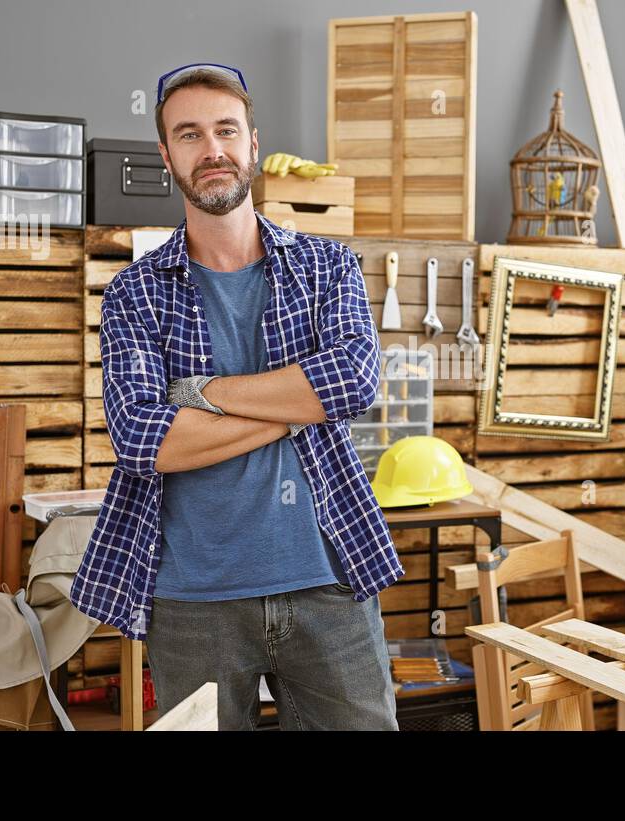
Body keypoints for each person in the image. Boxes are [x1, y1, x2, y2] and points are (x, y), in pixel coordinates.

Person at [69, 63, 404, 730]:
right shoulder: (135, 294)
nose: (212, 149)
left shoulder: (326, 267)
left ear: (253, 143)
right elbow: (143, 439)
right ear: (167, 156)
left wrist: (207, 395)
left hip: (327, 579)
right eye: (189, 135)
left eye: (226, 130)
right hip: (194, 598)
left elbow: (354, 381)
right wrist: (292, 409)